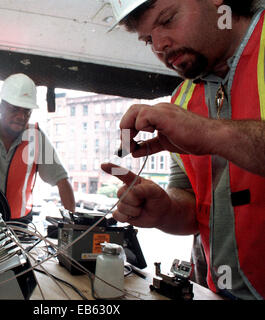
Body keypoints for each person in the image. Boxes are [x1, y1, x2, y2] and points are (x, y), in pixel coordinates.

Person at [102, 0, 265, 299]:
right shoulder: (183, 98)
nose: (161, 47)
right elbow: (193, 201)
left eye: (167, 19)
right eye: (149, 39)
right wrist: (165, 210)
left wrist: (209, 132)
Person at [0, 73, 75, 223]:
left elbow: (62, 181)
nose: (21, 116)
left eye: (27, 111)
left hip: (18, 225)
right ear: (0, 108)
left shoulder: (36, 137)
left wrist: (73, 226)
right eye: (14, 109)